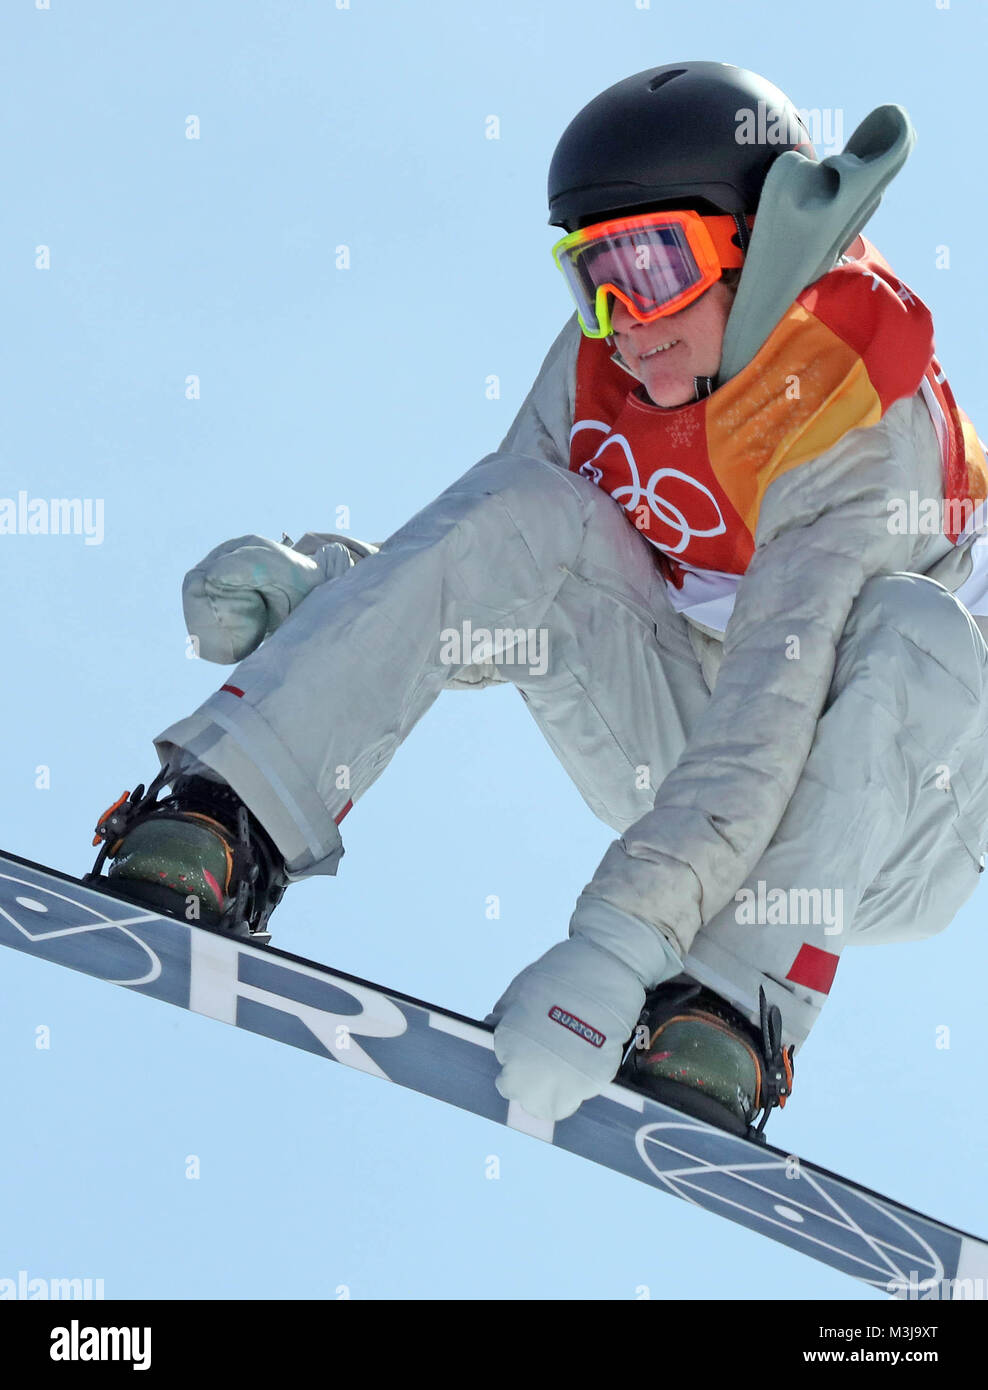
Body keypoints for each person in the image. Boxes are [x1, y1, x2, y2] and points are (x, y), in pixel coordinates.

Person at [89, 62, 988, 1138]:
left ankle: (728, 1011)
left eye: (651, 264)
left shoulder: (850, 415)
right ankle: (224, 814)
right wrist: (326, 593)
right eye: (591, 272)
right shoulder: (608, 365)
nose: (623, 317)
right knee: (533, 495)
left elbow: (772, 717)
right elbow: (496, 557)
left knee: (910, 631)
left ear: (759, 244)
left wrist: (614, 947)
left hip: (891, 806)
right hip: (681, 742)